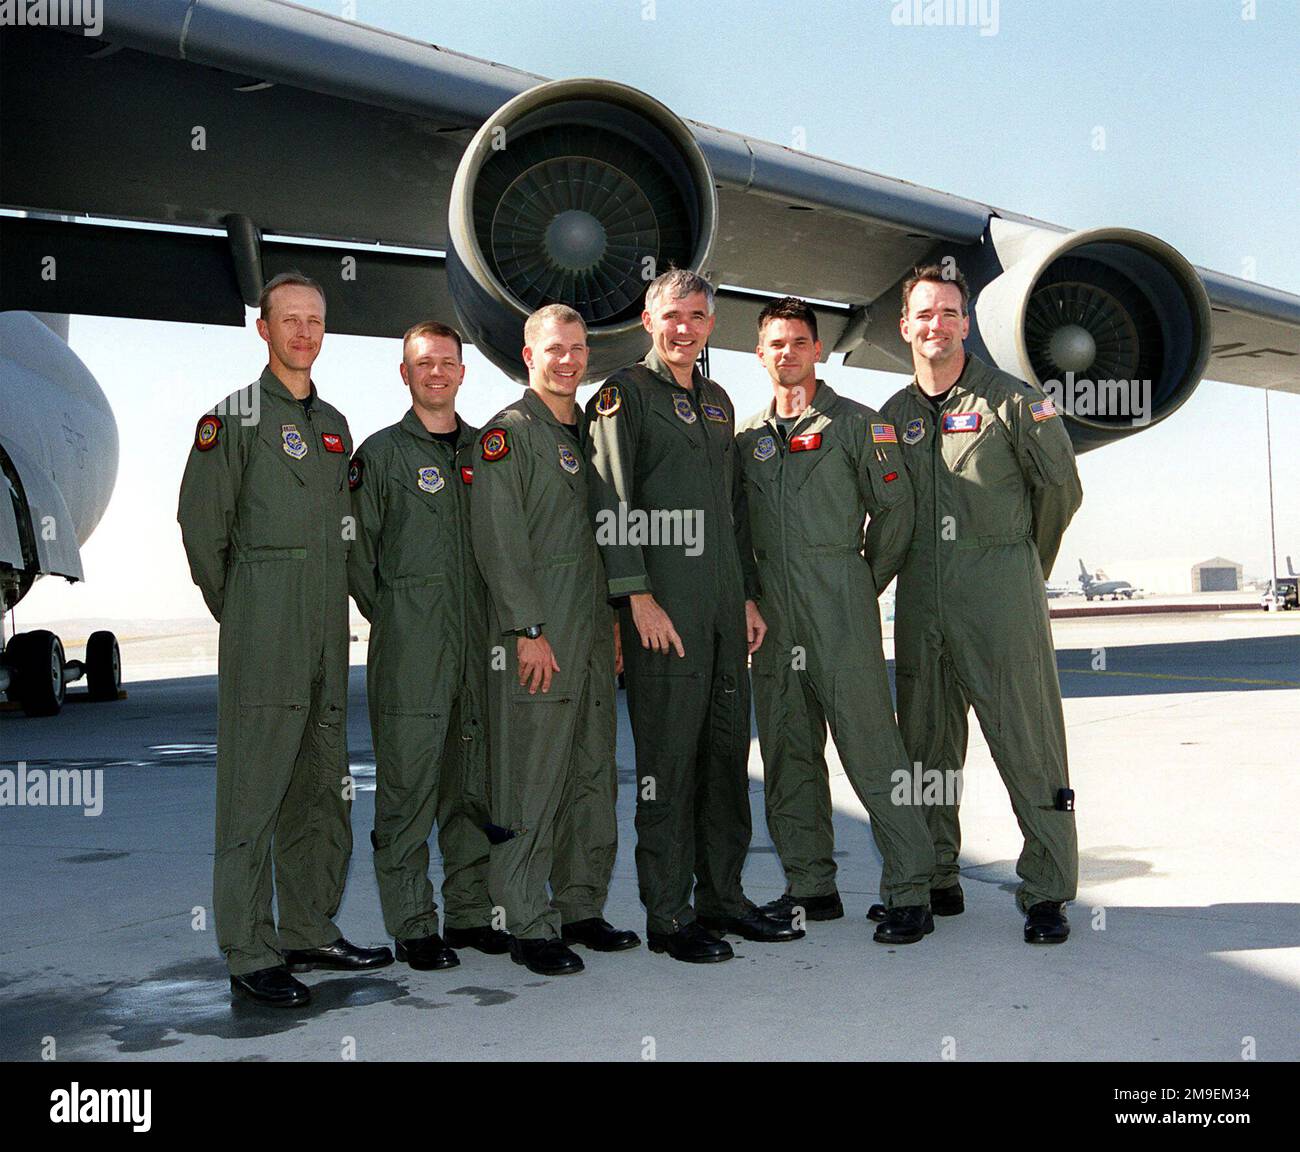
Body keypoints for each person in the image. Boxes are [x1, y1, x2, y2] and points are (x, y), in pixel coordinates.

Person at [178, 271, 391, 1008]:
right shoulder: (230, 419)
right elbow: (202, 531)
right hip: (265, 622)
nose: (304, 332)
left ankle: (308, 928)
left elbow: (350, 533)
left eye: (315, 321)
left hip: (328, 627)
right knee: (253, 794)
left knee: (322, 787)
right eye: (290, 319)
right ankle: (249, 950)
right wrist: (245, 611)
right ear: (262, 329)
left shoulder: (334, 423)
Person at [586, 269, 804, 963]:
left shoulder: (716, 402)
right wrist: (636, 597)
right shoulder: (624, 397)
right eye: (672, 316)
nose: (685, 329)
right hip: (665, 615)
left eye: (698, 317)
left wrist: (742, 595)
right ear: (649, 322)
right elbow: (610, 500)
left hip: (719, 614)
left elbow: (732, 511)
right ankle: (670, 915)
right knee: (669, 768)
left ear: (712, 325)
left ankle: (723, 897)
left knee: (724, 762)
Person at [880, 263, 1083, 943]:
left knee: (1027, 743)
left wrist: (1022, 566)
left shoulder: (1016, 403)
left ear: (964, 324)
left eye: (948, 313)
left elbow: (1060, 493)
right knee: (926, 748)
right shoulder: (894, 418)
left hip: (998, 598)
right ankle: (936, 874)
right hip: (921, 605)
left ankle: (1048, 890)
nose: (935, 325)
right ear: (903, 326)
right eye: (923, 314)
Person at [736, 297, 937, 944]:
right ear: (760, 353)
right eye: (775, 344)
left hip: (840, 605)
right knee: (789, 753)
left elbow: (897, 515)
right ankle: (810, 887)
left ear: (816, 350)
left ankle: (911, 890)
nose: (787, 353)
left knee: (873, 750)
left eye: (799, 341)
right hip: (773, 616)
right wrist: (749, 596)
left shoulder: (858, 425)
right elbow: (736, 526)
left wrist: (858, 583)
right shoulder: (747, 437)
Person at [470, 303, 639, 977]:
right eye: (554, 349)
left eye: (576, 349)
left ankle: (580, 907)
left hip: (594, 631)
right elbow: (499, 544)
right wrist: (526, 629)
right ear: (528, 353)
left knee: (592, 776)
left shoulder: (594, 434)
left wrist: (616, 625)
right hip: (543, 631)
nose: (567, 359)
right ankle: (528, 921)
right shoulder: (508, 436)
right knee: (532, 778)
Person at [347, 320, 511, 971]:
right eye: (423, 363)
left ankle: (469, 913)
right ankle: (414, 924)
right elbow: (359, 561)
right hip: (412, 655)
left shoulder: (490, 451)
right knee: (408, 791)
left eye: (447, 362)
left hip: (482, 653)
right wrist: (402, 617)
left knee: (475, 789)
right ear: (405, 373)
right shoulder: (381, 455)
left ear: (462, 373)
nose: (436, 373)